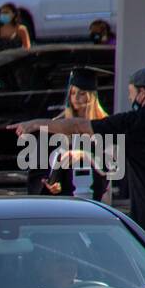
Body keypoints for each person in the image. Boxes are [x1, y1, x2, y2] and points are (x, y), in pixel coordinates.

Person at [9, 67, 145, 281]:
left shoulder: (133, 122)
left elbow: (78, 126)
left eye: (131, 92)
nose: (130, 97)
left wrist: (36, 123)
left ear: (142, 93)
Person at [33, 68, 110, 200]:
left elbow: (112, 166)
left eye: (81, 93)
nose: (76, 98)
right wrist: (50, 183)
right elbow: (41, 170)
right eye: (73, 93)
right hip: (65, 198)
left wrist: (84, 155)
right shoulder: (58, 126)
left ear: (92, 96)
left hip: (96, 196)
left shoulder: (104, 125)